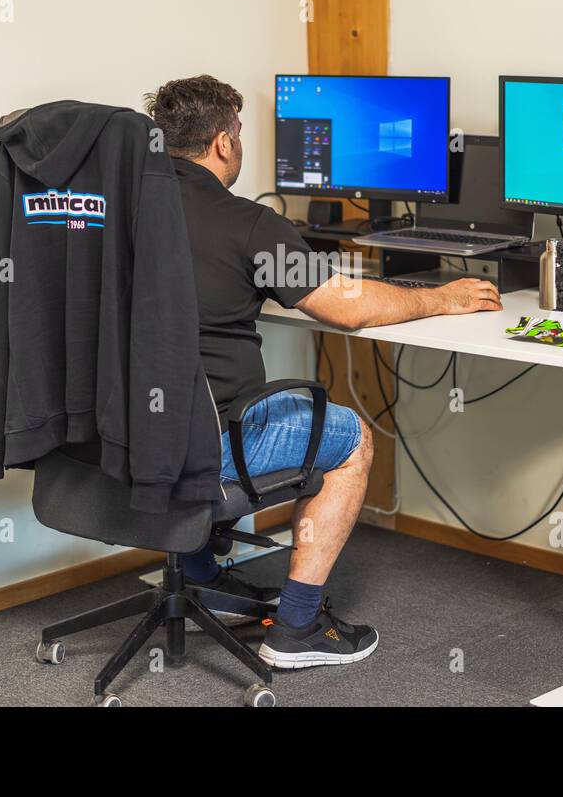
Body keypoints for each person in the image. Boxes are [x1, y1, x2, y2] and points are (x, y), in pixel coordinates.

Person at [144, 75, 502, 668]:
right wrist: (442, 297)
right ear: (223, 145)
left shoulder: (113, 215)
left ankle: (205, 577)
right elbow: (348, 307)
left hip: (120, 437)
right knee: (351, 438)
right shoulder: (247, 225)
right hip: (207, 446)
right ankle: (296, 627)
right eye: (238, 131)